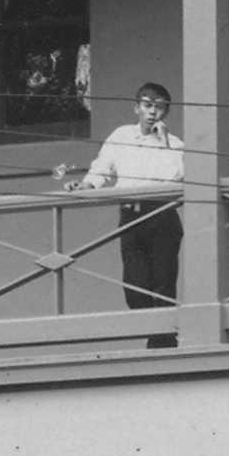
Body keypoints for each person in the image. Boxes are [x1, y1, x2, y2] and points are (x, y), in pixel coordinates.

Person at [79, 79, 190, 327]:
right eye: (148, 105)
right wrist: (87, 185)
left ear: (166, 112)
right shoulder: (121, 135)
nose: (153, 112)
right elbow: (103, 166)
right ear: (136, 107)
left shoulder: (175, 144)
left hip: (162, 215)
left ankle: (162, 343)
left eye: (160, 107)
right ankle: (156, 333)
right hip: (131, 215)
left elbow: (174, 177)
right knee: (135, 288)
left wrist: (164, 143)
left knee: (162, 285)